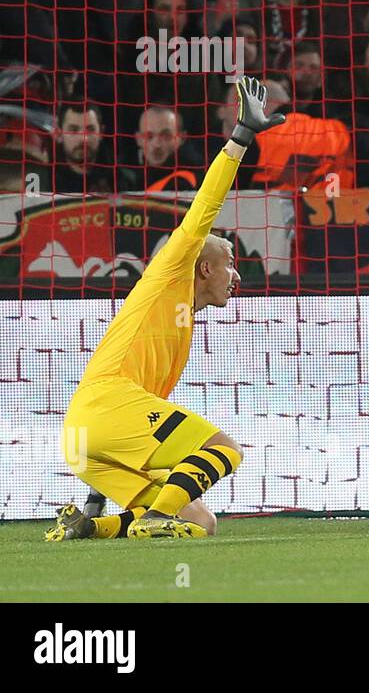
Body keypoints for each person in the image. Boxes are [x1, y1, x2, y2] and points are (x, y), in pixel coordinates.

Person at [46, 77, 285, 541]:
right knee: (226, 450)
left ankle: (89, 525)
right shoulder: (170, 272)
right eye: (229, 264)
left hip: (84, 437)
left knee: (201, 522)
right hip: (105, 409)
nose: (237, 275)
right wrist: (241, 137)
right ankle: (153, 519)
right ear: (201, 268)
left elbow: (128, 421)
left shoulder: (178, 321)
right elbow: (205, 206)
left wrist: (95, 490)